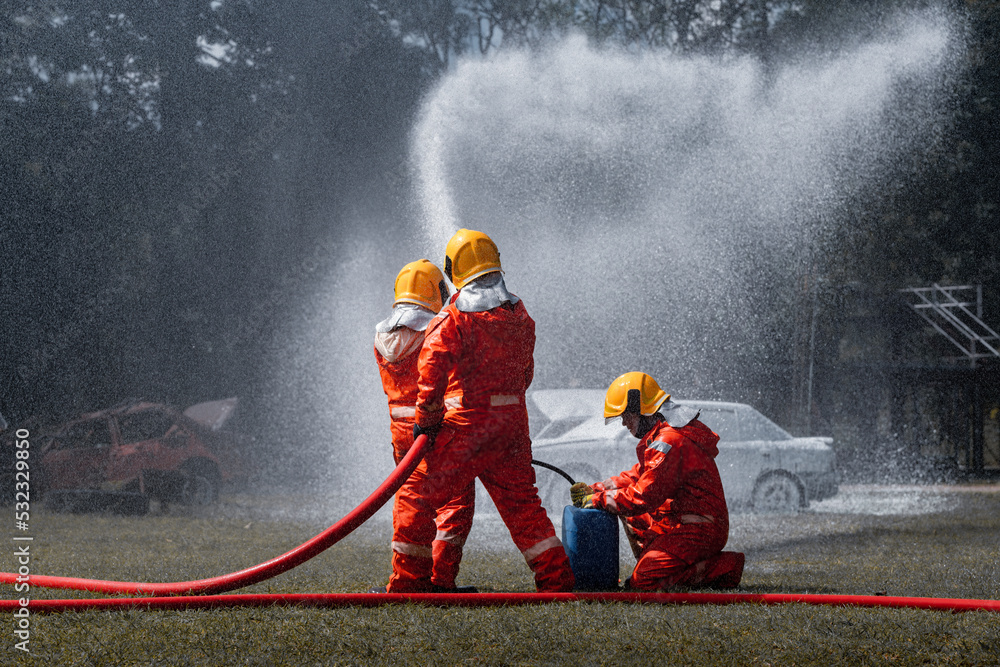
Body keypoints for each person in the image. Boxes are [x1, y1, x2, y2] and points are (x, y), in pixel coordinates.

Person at [388, 229, 575, 593]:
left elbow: (432, 372)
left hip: (470, 429)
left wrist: (426, 421)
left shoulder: (454, 319)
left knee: (416, 495)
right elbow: (525, 374)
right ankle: (557, 581)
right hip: (513, 429)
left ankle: (410, 584)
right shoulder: (519, 314)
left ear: (452, 268)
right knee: (524, 508)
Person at [570, 372, 744, 590]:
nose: (623, 423)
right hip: (684, 522)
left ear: (642, 410)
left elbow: (644, 495)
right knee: (630, 516)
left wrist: (598, 500)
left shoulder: (669, 441)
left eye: (626, 415)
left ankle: (725, 567)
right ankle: (662, 562)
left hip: (700, 529)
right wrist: (596, 489)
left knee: (645, 581)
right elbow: (638, 476)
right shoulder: (662, 436)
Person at [373, 259, 476, 593]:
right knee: (456, 500)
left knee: (411, 503)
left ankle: (410, 578)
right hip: (434, 428)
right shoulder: (436, 331)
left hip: (402, 436)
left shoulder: (381, 337)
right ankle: (440, 579)